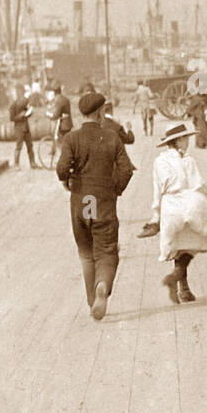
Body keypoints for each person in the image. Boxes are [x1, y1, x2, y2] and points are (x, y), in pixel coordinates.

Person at [55, 91, 135, 321]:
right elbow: (126, 170)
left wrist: (68, 181)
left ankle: (92, 299)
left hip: (82, 203)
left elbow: (61, 169)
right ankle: (102, 287)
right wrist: (115, 189)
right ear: (101, 113)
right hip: (104, 202)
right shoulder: (111, 137)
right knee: (107, 251)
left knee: (87, 253)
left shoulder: (71, 138)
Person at [150, 122, 207, 304]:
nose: (187, 141)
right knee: (194, 244)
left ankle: (183, 288)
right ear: (178, 141)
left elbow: (157, 189)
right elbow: (197, 184)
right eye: (186, 138)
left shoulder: (159, 161)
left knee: (179, 244)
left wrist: (156, 214)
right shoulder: (188, 161)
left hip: (170, 206)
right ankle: (177, 276)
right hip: (189, 204)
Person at [9, 86, 39, 169]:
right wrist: (21, 116)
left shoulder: (24, 102)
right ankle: (16, 164)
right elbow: (12, 118)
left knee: (30, 145)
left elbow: (28, 113)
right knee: (19, 146)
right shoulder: (13, 105)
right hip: (19, 128)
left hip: (26, 127)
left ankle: (32, 163)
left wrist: (29, 112)